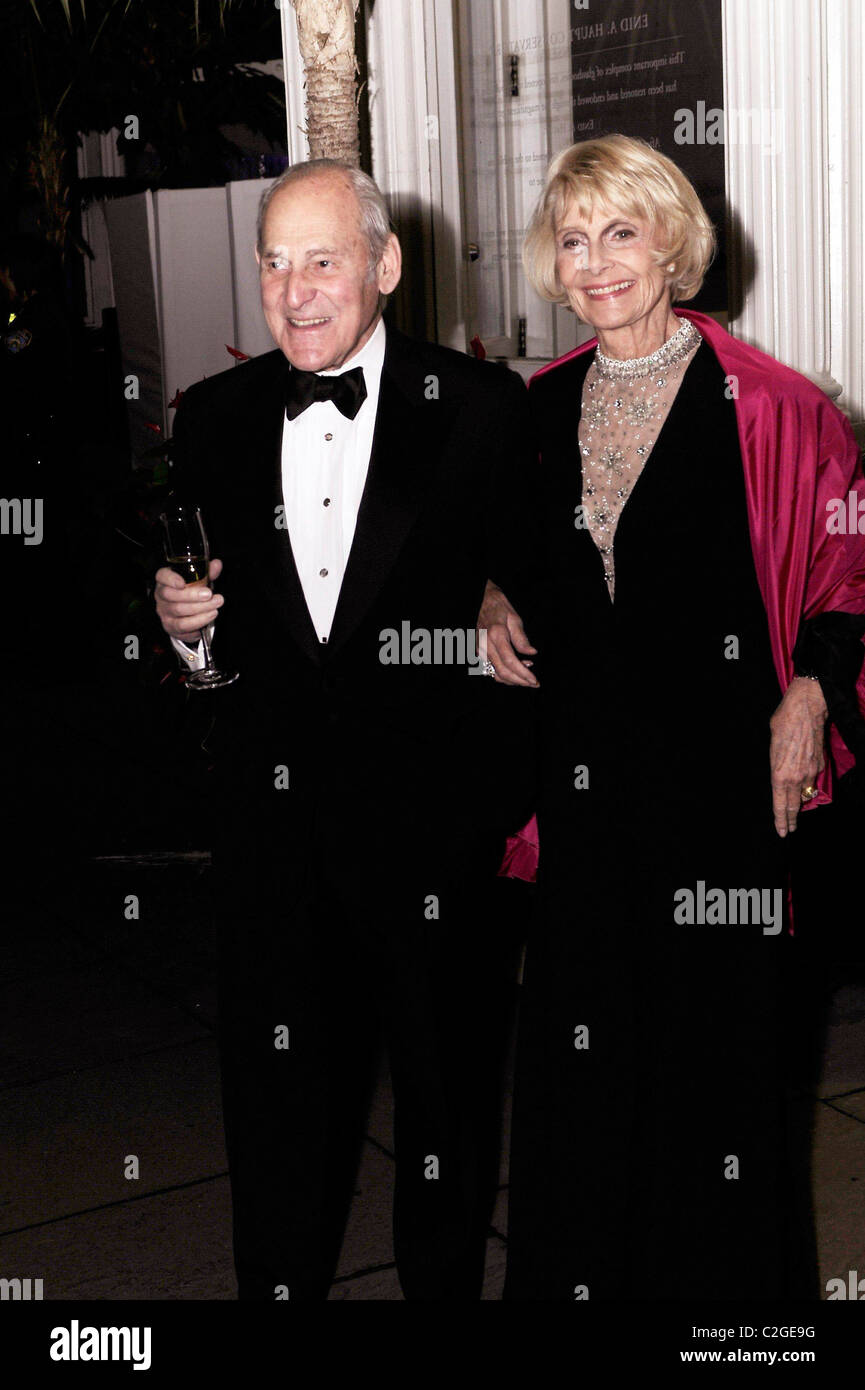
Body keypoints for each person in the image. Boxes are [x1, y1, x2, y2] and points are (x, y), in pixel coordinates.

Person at [480, 135, 865, 1300]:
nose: (595, 262)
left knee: (726, 1089)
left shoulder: (778, 408)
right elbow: (505, 556)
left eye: (622, 232)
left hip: (723, 807)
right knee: (583, 1084)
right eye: (575, 238)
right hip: (585, 808)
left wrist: (807, 693)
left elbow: (847, 579)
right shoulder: (534, 408)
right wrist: (492, 593)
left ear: (671, 243)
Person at [153, 159, 535, 1300]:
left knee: (445, 1113)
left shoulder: (477, 408)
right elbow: (206, 627)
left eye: (323, 260)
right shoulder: (212, 417)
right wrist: (182, 631)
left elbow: (536, 593)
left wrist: (502, 602)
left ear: (384, 265)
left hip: (434, 844)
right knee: (276, 1119)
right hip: (273, 844)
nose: (295, 289)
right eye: (274, 262)